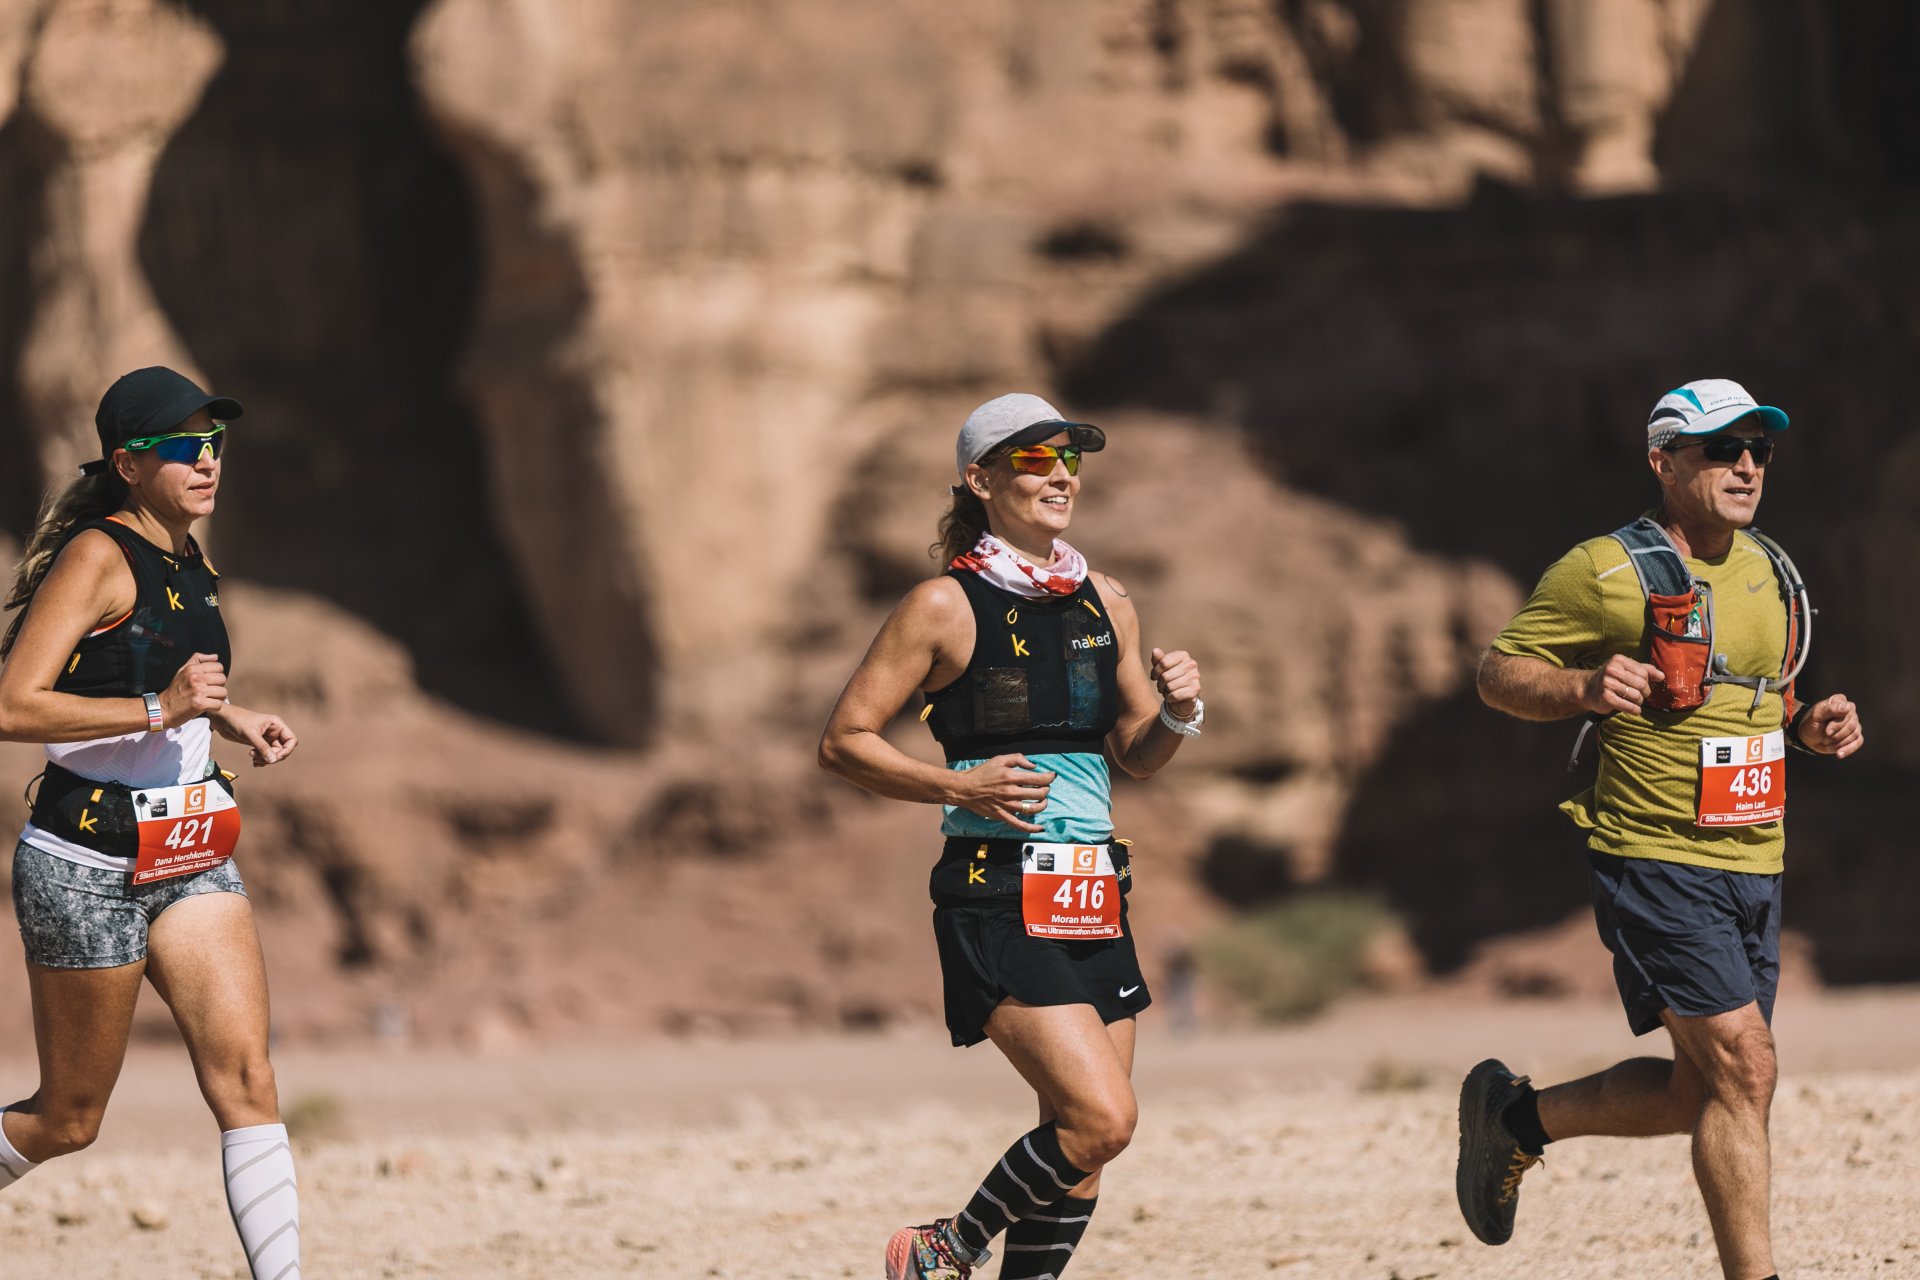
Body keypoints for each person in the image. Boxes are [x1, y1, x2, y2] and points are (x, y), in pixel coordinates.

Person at [1457, 379, 1864, 1280]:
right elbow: (1498, 671)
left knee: (1700, 1091)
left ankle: (1514, 1121)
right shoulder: (1604, 569)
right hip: (1653, 857)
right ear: (1664, 462)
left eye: (1758, 448)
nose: (1747, 466)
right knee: (1747, 1069)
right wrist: (1581, 686)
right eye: (1723, 448)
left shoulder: (1769, 568)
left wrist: (1809, 725)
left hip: (1756, 858)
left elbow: (1765, 698)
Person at [820, 393, 1203, 1279]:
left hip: (1093, 885)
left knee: (1080, 1146)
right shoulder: (942, 605)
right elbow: (844, 741)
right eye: (1034, 459)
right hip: (995, 890)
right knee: (1104, 1119)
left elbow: (1135, 754)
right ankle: (944, 1247)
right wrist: (958, 785)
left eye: (1070, 458)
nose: (1061, 474)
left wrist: (1179, 712)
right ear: (981, 480)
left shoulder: (1109, 599)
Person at [0, 367, 303, 1280]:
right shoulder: (96, 556)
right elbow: (13, 705)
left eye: (214, 443)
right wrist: (159, 710)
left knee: (247, 1079)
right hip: (84, 864)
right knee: (69, 1119)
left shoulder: (188, 555)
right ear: (128, 464)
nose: (206, 461)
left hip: (189, 850)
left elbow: (161, 678)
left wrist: (226, 715)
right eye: (182, 446)